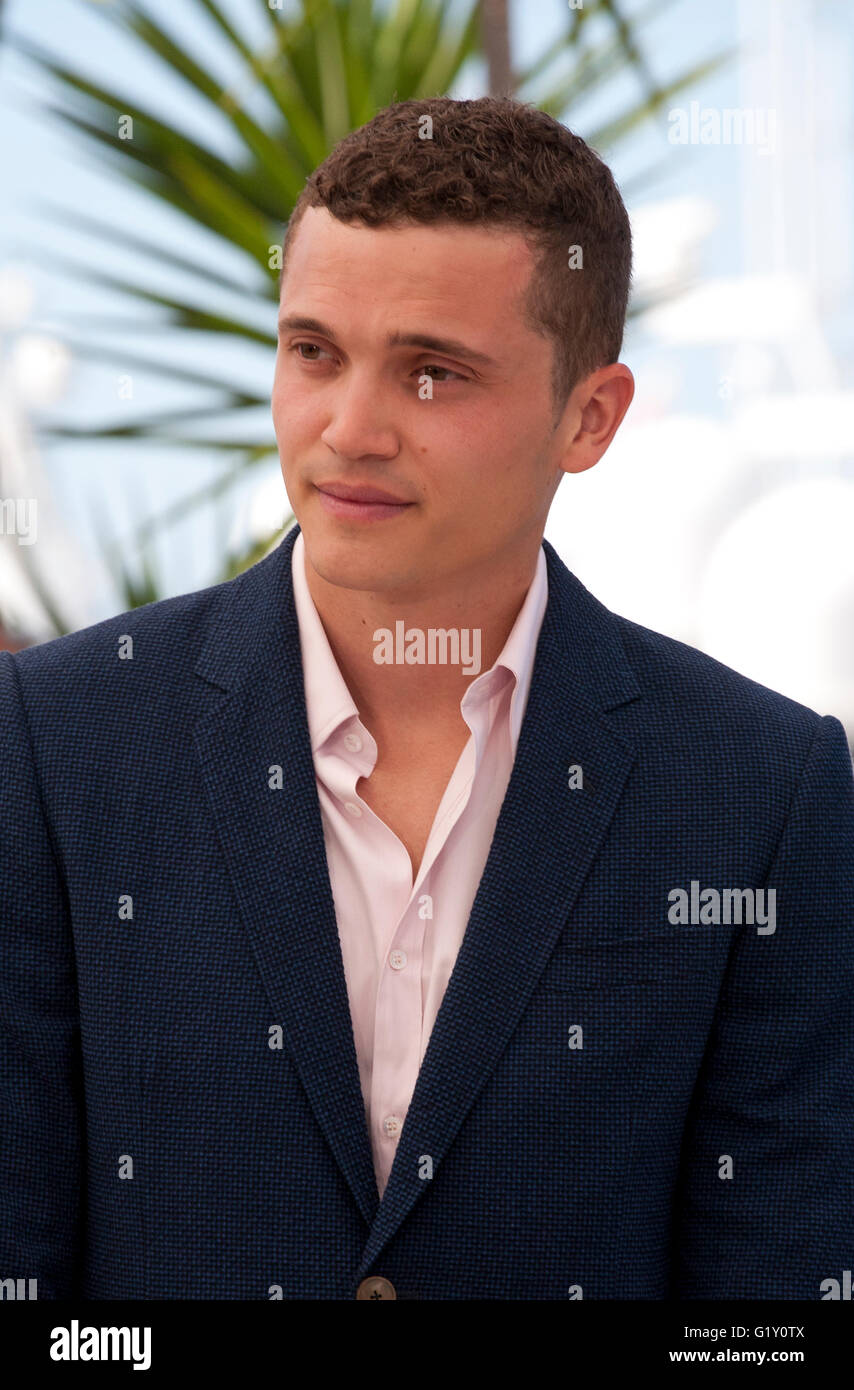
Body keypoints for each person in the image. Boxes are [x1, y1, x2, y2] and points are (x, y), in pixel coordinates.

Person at [1, 96, 852, 1302]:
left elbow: (771, 1300)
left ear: (588, 416)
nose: (347, 429)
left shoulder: (758, 788)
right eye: (313, 351)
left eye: (432, 373)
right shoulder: (55, 741)